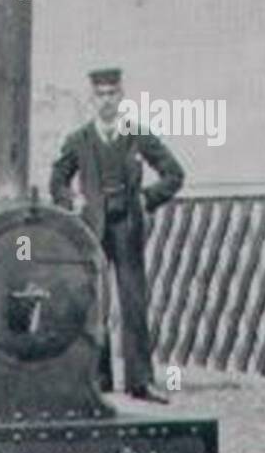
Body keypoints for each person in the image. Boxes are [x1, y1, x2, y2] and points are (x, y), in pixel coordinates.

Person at [49, 67, 184, 403]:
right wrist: (72, 201)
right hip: (91, 230)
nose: (106, 100)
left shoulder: (138, 135)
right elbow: (57, 180)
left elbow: (174, 174)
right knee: (96, 303)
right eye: (100, 95)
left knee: (133, 302)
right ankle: (99, 378)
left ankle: (140, 381)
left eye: (112, 94)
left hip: (128, 227)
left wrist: (147, 198)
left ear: (121, 97)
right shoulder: (78, 140)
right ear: (92, 99)